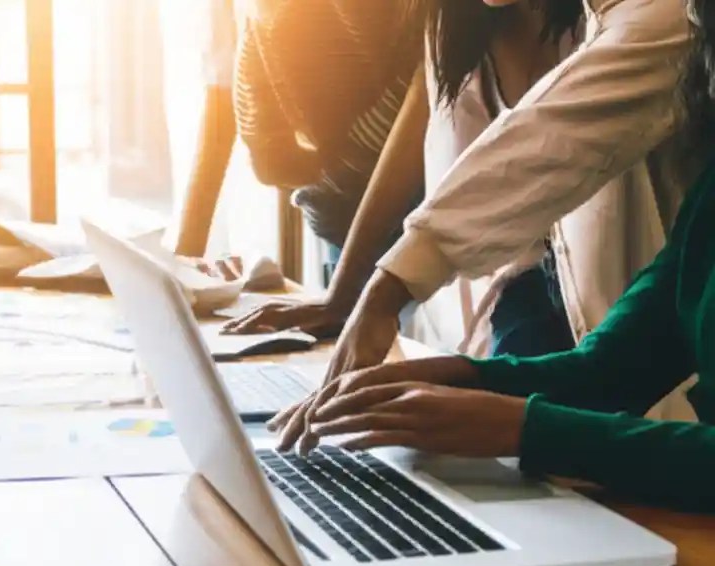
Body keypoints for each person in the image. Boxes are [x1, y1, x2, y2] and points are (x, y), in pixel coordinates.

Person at [266, 0, 715, 507]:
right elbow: (609, 371)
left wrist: (527, 430)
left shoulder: (662, 22)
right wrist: (460, 380)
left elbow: (546, 142)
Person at [234, 0, 692, 371]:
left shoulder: (658, 18)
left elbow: (543, 147)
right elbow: (422, 124)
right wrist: (349, 292)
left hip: (630, 312)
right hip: (504, 302)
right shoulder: (456, 21)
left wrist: (390, 284)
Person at [169, 0, 421, 309]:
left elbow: (424, 79)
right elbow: (222, 87)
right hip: (336, 203)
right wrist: (184, 263)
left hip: (405, 195)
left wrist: (338, 169)